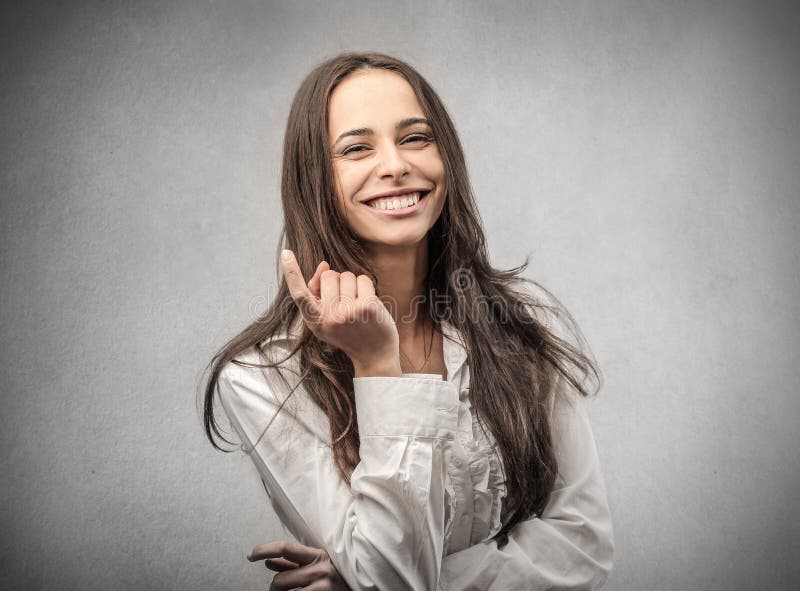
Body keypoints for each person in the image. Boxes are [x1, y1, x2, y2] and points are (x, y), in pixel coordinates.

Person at [202, 51, 614, 590]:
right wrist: (376, 364)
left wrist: (369, 582)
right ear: (314, 180)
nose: (395, 165)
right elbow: (393, 577)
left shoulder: (519, 323)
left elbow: (583, 547)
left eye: (416, 138)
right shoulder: (261, 378)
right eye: (357, 148)